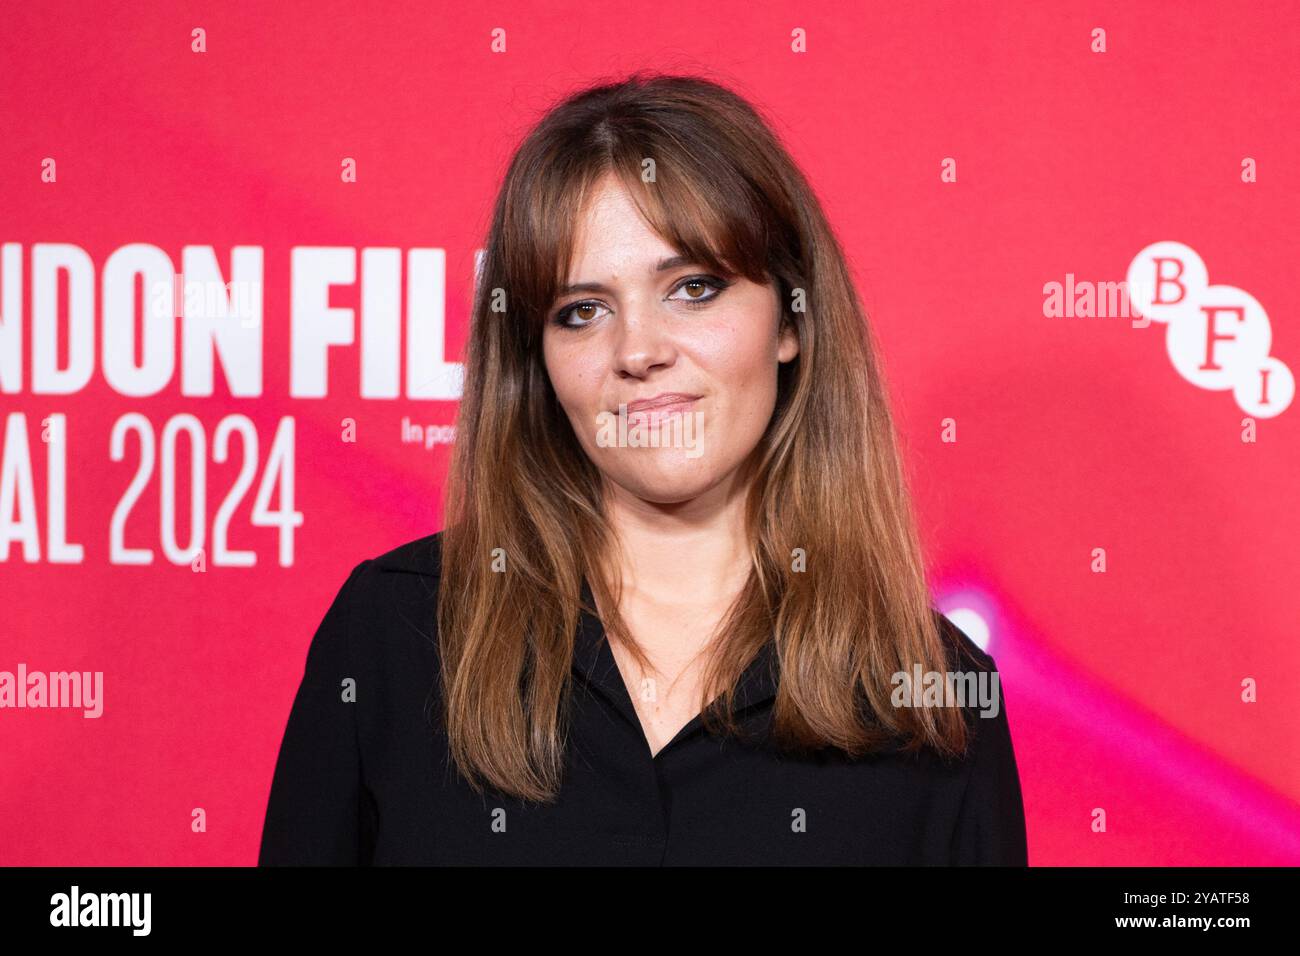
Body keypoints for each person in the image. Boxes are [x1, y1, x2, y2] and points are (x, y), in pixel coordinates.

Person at [258, 71, 1028, 866]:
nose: (638, 352)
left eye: (693, 288)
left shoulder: (938, 699)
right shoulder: (394, 638)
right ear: (539, 363)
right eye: (582, 311)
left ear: (790, 323)